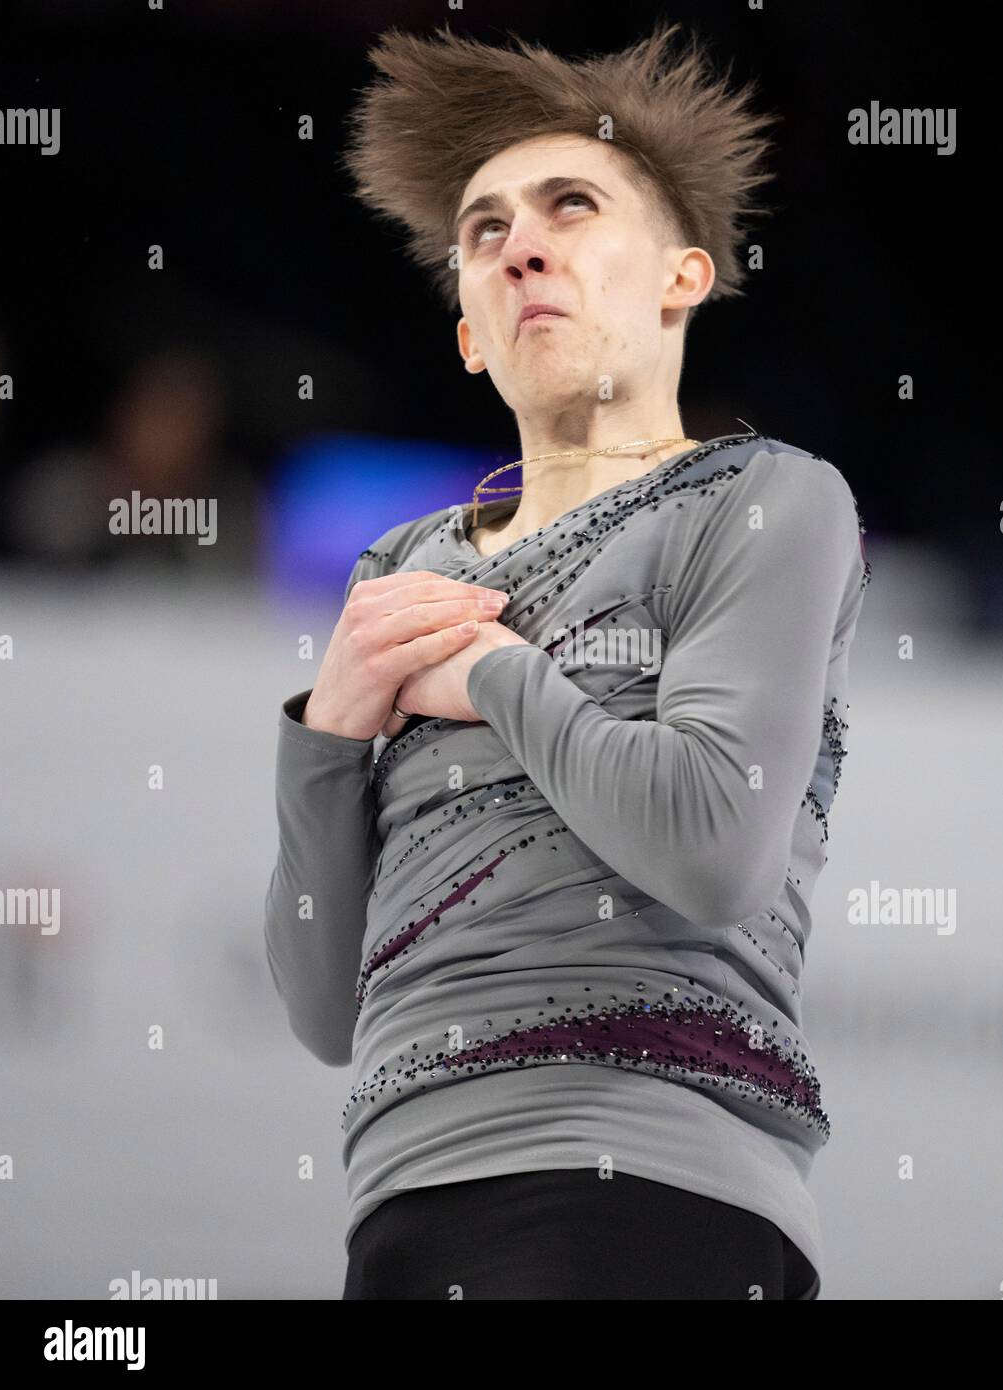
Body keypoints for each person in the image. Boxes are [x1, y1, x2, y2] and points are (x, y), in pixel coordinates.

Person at [264, 21, 870, 1300]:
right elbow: (327, 1010)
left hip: (648, 1187)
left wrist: (488, 672)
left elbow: (711, 849)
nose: (518, 242)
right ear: (472, 332)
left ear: (681, 278)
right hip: (401, 1201)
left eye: (571, 205)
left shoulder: (764, 498)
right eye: (482, 231)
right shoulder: (400, 567)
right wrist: (323, 732)